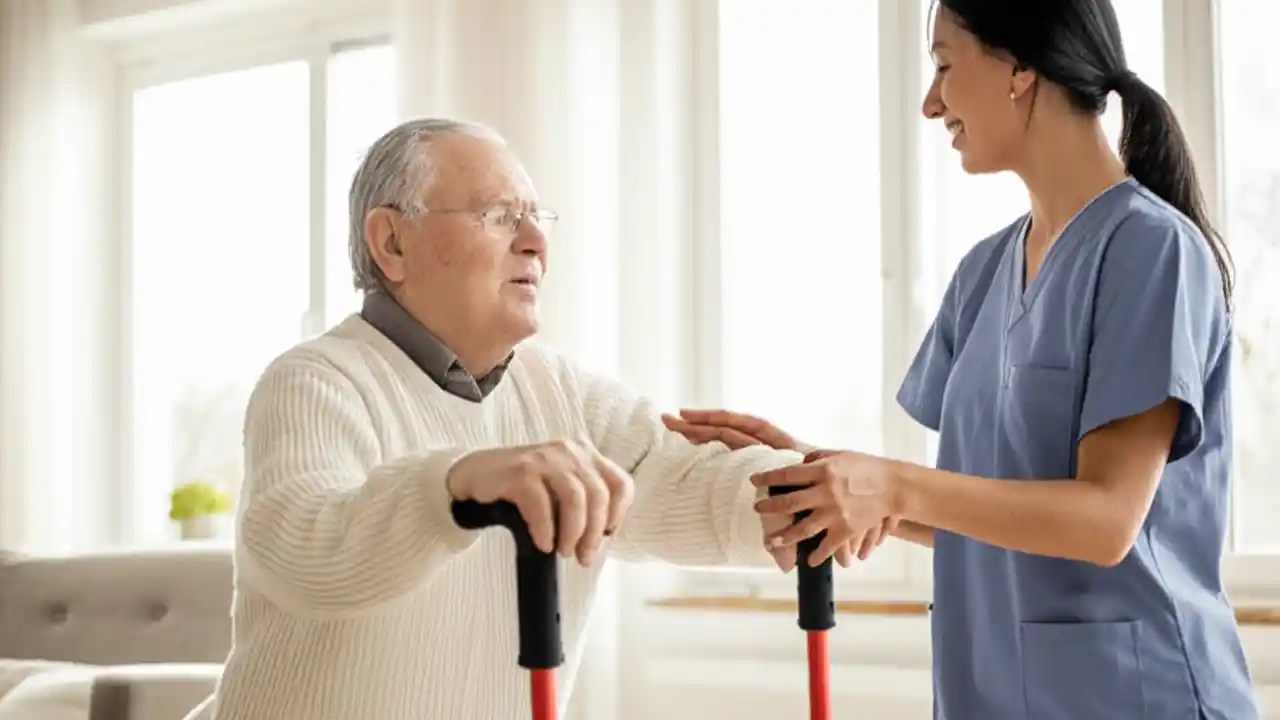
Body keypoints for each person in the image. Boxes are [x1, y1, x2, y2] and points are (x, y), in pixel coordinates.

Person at [665, 1, 1260, 718]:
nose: (930, 102)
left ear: (1020, 67)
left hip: (1139, 696)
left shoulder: (1150, 250)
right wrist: (818, 473)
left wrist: (891, 487)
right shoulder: (982, 273)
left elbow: (1106, 520)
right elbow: (978, 514)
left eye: (944, 65)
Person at [195, 118, 802, 720]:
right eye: (500, 215)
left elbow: (705, 492)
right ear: (392, 242)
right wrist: (457, 483)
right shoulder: (315, 380)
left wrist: (822, 486)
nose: (536, 240)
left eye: (537, 217)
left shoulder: (564, 393)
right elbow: (308, 553)